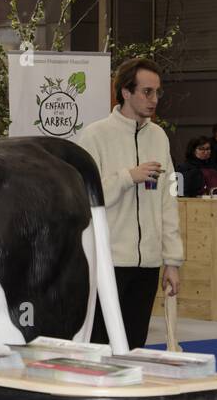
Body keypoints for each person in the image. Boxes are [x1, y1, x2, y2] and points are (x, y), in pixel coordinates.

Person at [75, 57, 182, 349]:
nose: (154, 99)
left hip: (147, 264)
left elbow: (167, 202)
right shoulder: (94, 136)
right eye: (147, 92)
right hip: (106, 263)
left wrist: (172, 261)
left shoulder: (159, 137)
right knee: (99, 345)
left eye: (158, 92)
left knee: (135, 345)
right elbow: (83, 197)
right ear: (125, 92)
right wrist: (126, 177)